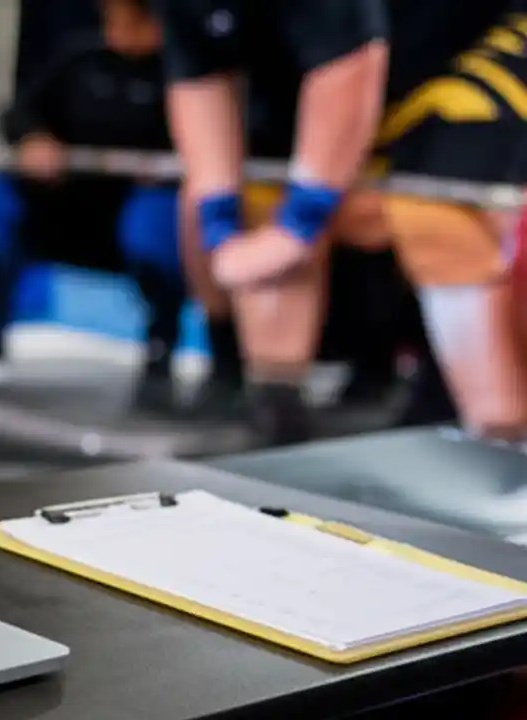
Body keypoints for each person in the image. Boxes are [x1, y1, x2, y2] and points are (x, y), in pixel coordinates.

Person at [159, 0, 527, 443]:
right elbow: (200, 81)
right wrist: (221, 227)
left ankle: (500, 441)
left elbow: (351, 67)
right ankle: (276, 416)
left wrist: (297, 227)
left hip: (468, 43)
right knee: (259, 199)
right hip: (334, 66)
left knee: (437, 214)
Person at [0, 0, 249, 413]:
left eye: (130, 22)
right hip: (68, 207)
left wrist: (174, 165)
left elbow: (216, 138)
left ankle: (162, 350)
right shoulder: (80, 61)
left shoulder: (189, 71)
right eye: (112, 21)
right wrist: (33, 137)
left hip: (142, 214)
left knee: (157, 222)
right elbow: (21, 111)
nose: (119, 32)